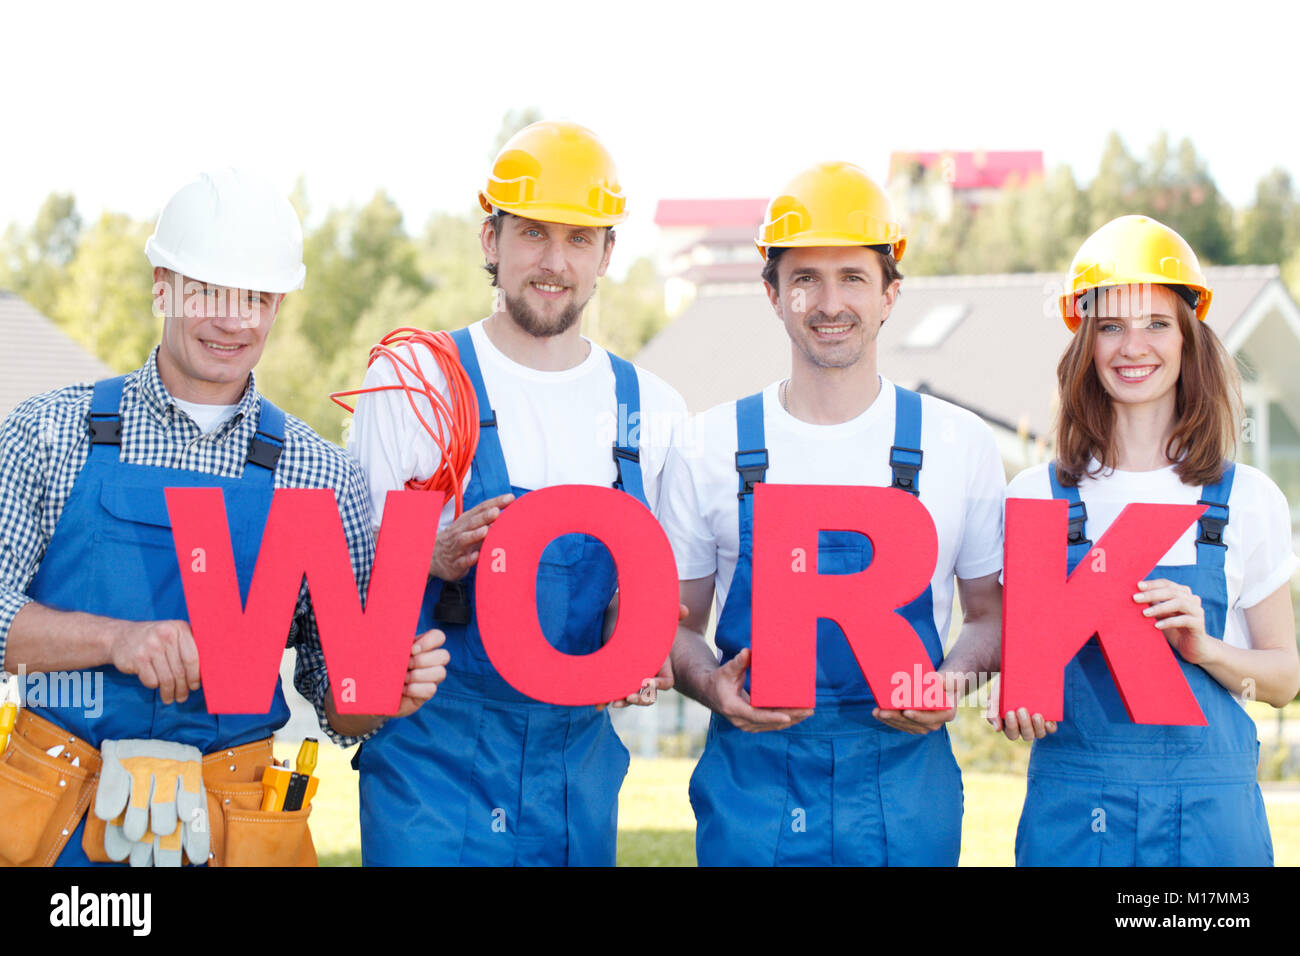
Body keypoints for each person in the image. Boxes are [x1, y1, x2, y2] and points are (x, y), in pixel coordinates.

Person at [0, 169, 444, 867]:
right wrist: (119, 640)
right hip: (56, 817)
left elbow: (339, 703)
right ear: (162, 284)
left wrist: (385, 693)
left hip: (231, 827)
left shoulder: (320, 473)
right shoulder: (50, 433)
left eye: (257, 297)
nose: (234, 320)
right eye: (208, 290)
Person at [347, 120, 687, 866]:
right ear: (490, 239)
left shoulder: (653, 410)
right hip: (430, 775)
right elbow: (349, 600)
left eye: (578, 239)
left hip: (575, 779)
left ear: (607, 254)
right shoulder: (416, 381)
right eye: (532, 232)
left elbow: (655, 596)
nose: (553, 262)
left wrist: (642, 632)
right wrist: (427, 558)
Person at [658, 162, 1006, 866]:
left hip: (906, 784)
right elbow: (674, 627)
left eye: (852, 277)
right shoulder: (708, 444)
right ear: (773, 294)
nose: (829, 302)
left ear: (890, 295)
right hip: (751, 784)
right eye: (805, 279)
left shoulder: (957, 443)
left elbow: (992, 617)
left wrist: (953, 682)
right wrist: (713, 689)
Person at [1002, 215, 1300, 866]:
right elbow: (1018, 663)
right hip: (1074, 824)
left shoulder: (1246, 499)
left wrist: (1209, 650)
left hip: (1213, 831)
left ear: (1190, 338)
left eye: (1156, 324)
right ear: (1086, 341)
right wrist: (1015, 700)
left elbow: (1283, 680)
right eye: (1110, 325)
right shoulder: (1034, 496)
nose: (1132, 345)